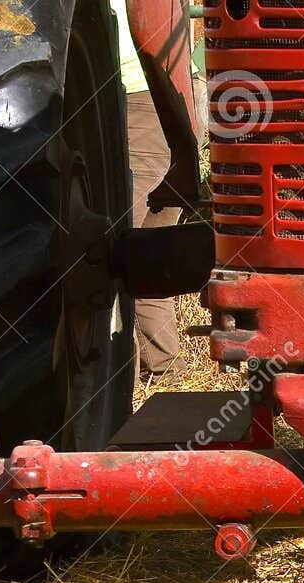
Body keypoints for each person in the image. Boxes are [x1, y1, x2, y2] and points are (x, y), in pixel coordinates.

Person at [113, 0, 192, 389]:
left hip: (139, 100)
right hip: (167, 97)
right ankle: (169, 378)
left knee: (109, 255)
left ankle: (116, 390)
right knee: (147, 259)